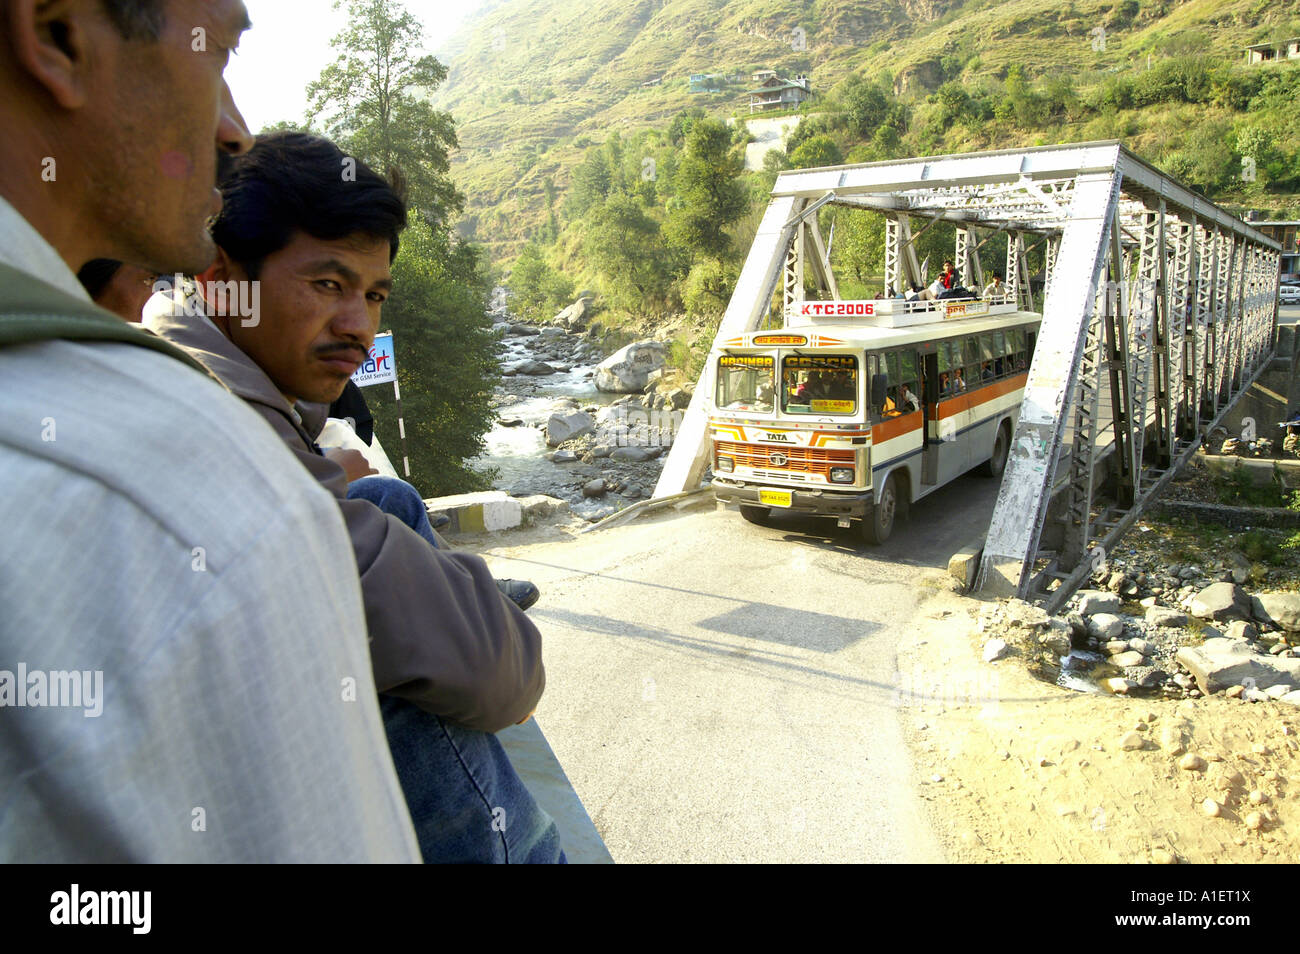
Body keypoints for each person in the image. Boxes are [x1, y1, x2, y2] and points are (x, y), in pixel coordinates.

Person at [0, 0, 420, 861]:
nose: (236, 130)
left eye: (373, 295)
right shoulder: (197, 490)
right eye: (218, 52)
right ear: (55, 33)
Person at [144, 132, 560, 862]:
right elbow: (507, 683)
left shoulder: (185, 367)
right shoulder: (227, 437)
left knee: (385, 500)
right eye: (328, 286)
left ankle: (471, 594)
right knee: (394, 539)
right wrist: (484, 628)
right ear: (219, 279)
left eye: (372, 295)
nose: (358, 326)